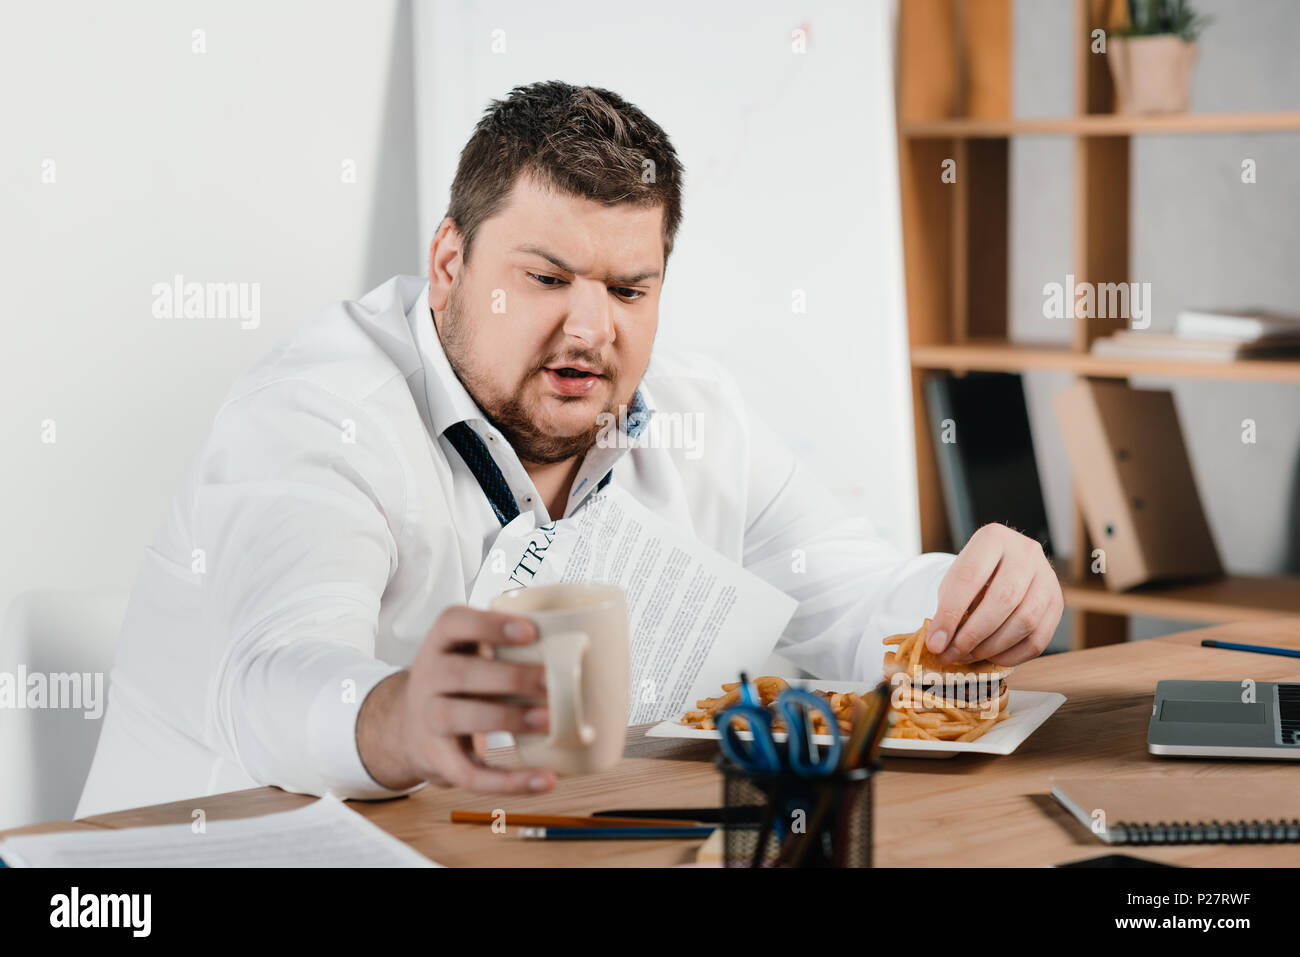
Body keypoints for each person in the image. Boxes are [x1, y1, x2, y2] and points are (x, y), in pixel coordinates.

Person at [76, 81, 1062, 817]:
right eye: (547, 279)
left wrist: (971, 600)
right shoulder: (318, 409)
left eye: (629, 290)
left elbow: (853, 597)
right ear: (450, 261)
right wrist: (401, 717)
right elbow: (271, 677)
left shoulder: (694, 413)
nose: (592, 329)